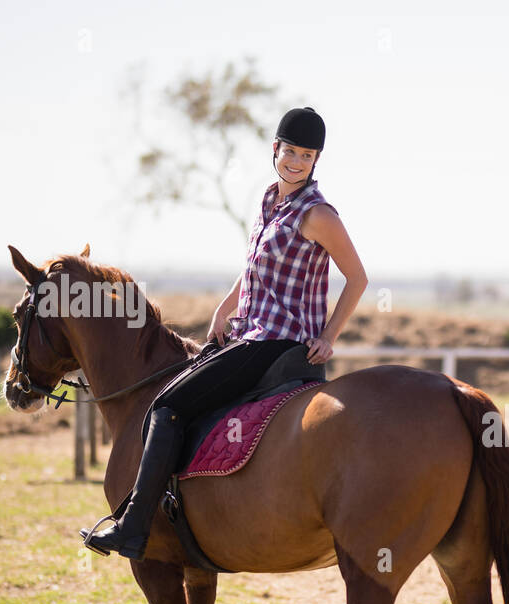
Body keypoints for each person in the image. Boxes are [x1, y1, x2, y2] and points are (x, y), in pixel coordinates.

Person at [82, 106, 369, 559]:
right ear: (275, 149)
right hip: (245, 333)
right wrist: (224, 308)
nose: (295, 161)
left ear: (316, 161)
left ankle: (134, 524)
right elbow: (254, 268)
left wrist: (329, 335)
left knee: (168, 404)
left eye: (306, 155)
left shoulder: (318, 216)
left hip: (277, 343)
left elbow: (357, 278)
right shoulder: (267, 201)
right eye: (289, 151)